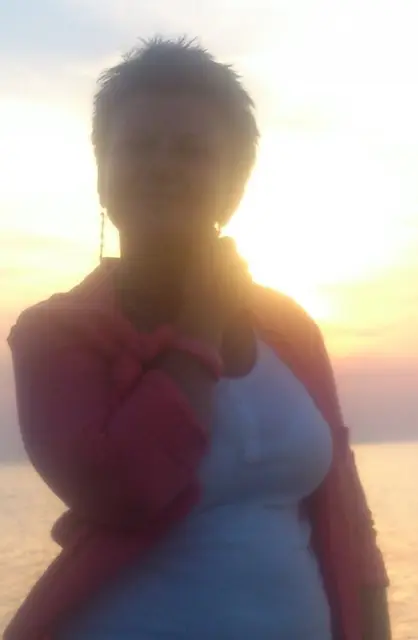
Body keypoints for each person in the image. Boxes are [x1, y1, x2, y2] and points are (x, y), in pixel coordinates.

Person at [6, 37, 390, 640]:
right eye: (138, 145)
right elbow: (123, 491)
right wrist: (201, 327)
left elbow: (346, 510)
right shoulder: (56, 335)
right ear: (103, 173)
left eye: (190, 150)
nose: (161, 165)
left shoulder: (289, 327)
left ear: (234, 184)